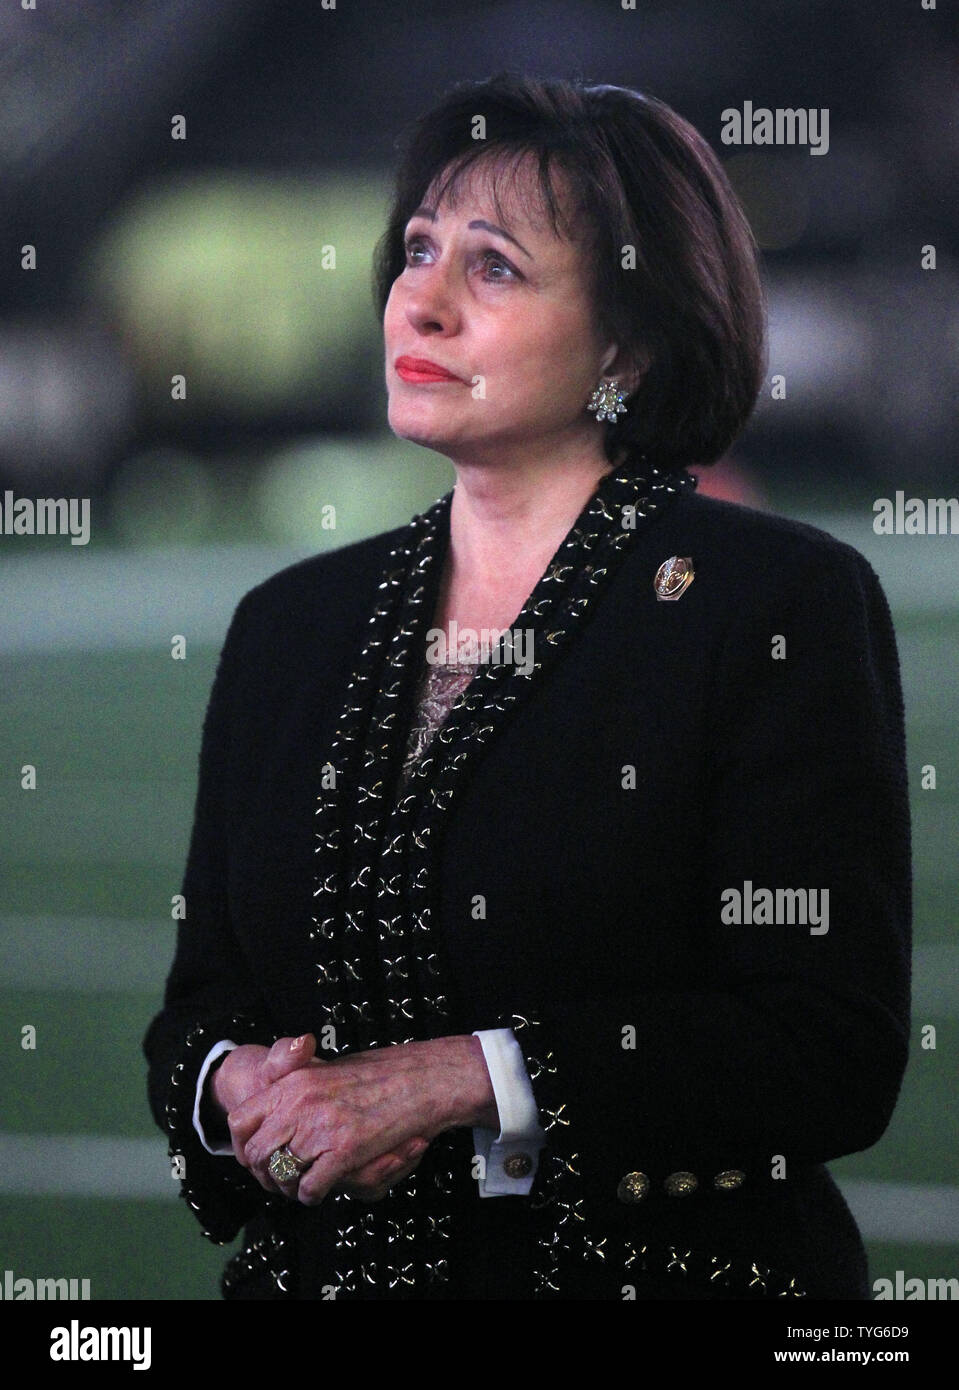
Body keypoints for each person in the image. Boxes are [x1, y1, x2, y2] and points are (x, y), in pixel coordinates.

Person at [143, 72, 911, 1301]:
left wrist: (466, 1076)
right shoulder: (287, 625)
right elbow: (201, 1006)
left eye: (493, 268)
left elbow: (827, 1046)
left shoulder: (771, 604)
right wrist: (230, 1087)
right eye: (418, 250)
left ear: (627, 342)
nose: (423, 303)